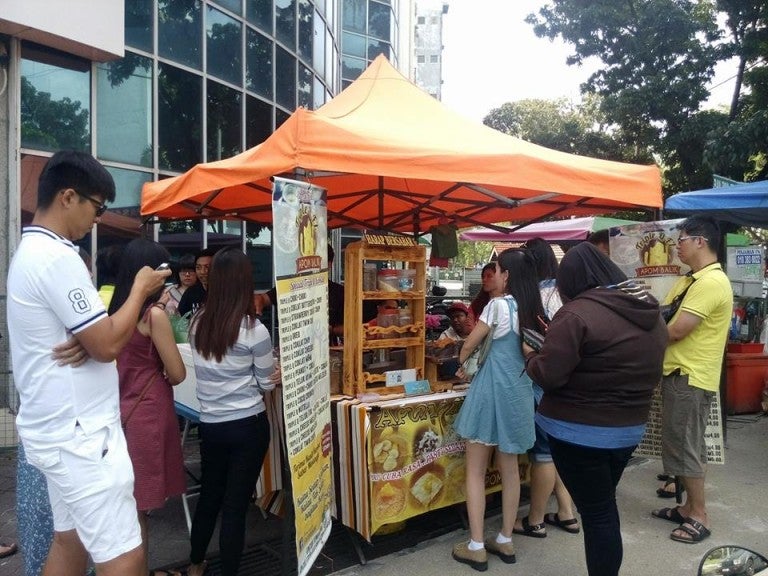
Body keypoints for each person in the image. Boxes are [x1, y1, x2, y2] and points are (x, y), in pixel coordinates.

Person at [6, 150, 170, 576]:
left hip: (56, 429)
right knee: (125, 554)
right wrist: (139, 288)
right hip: (82, 435)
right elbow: (107, 345)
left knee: (70, 540)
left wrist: (91, 336)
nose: (97, 219)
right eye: (96, 208)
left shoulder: (30, 251)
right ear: (67, 197)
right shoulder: (58, 257)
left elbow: (93, 337)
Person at [524, 242, 668, 576]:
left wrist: (532, 357)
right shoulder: (650, 312)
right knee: (602, 505)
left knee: (599, 513)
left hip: (579, 432)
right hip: (629, 428)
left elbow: (550, 375)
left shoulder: (577, 314)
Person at [187, 247, 280, 576]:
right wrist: (274, 375)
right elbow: (267, 384)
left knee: (210, 496)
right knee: (235, 507)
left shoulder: (197, 322)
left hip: (210, 425)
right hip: (246, 427)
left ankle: (196, 564)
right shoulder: (255, 331)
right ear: (244, 283)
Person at [450, 249, 542, 571]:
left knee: (475, 471)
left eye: (498, 270)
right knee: (511, 470)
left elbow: (468, 344)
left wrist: (461, 363)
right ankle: (505, 538)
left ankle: (476, 544)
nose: (494, 275)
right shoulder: (531, 308)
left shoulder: (498, 306)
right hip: (518, 393)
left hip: (490, 393)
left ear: (507, 276)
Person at [651, 216, 732, 544]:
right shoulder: (691, 280)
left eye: (681, 239)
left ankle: (699, 514)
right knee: (683, 444)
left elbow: (676, 329)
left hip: (690, 376)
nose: (677, 246)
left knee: (686, 447)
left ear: (701, 241)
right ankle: (687, 507)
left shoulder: (711, 283)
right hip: (677, 374)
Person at [108, 239, 187, 576]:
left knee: (127, 504)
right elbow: (178, 373)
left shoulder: (114, 306)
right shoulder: (153, 314)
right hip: (149, 412)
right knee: (138, 508)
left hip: (119, 410)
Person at [513, 237, 578, 539]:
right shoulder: (565, 292)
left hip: (540, 378)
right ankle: (567, 511)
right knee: (553, 450)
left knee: (543, 454)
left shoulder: (534, 294)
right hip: (564, 378)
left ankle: (535, 519)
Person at [254, 244, 347, 337]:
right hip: (295, 347)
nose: (311, 266)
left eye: (316, 262)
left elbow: (353, 327)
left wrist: (332, 330)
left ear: (329, 264)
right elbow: (264, 298)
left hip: (328, 348)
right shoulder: (293, 286)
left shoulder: (340, 293)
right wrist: (258, 302)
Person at [177, 248, 217, 317]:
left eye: (207, 267)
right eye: (198, 267)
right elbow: (183, 318)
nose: (202, 272)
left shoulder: (224, 293)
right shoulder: (190, 293)